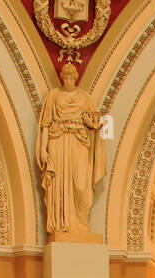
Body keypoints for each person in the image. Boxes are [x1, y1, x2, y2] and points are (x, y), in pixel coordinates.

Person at [36, 62, 106, 238]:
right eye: (65, 77)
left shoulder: (84, 97)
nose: (68, 80)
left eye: (71, 77)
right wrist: (43, 149)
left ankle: (80, 223)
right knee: (59, 184)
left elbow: (99, 121)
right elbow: (45, 124)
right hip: (57, 142)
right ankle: (61, 223)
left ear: (75, 78)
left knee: (81, 185)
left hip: (79, 142)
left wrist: (94, 124)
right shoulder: (53, 96)